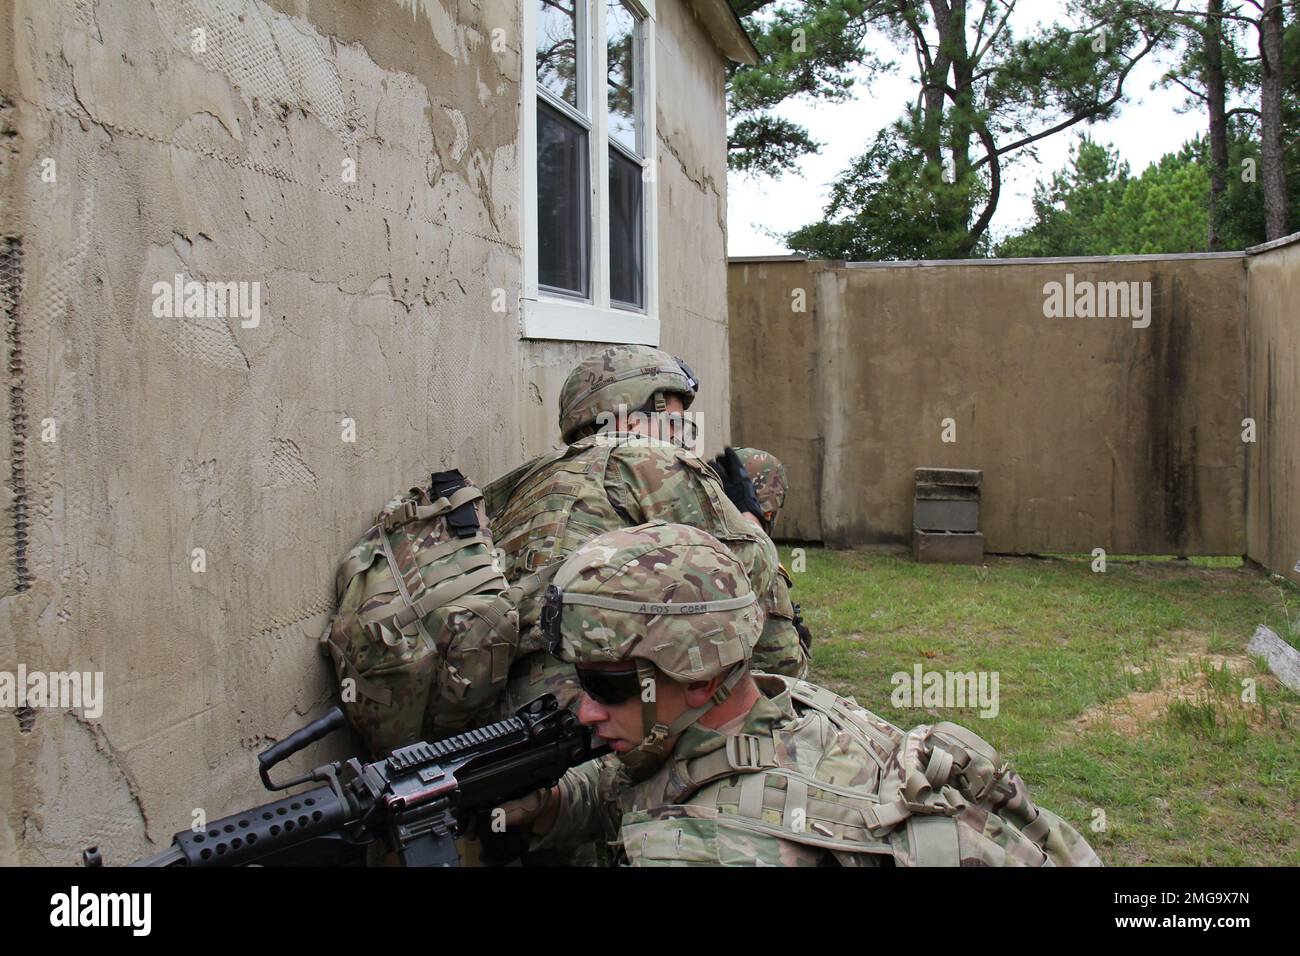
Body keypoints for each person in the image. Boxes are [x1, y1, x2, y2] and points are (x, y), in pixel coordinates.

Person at [505, 522, 1102, 867]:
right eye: (580, 680)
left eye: (606, 685)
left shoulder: (700, 848)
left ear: (700, 676)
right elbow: (652, 781)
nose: (586, 709)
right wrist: (551, 804)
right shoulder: (784, 703)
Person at [485, 345, 808, 720]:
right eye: (674, 423)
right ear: (633, 421)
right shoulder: (646, 458)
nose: (682, 440)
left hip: (513, 710)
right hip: (608, 702)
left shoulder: (524, 484)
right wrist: (750, 519)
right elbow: (747, 571)